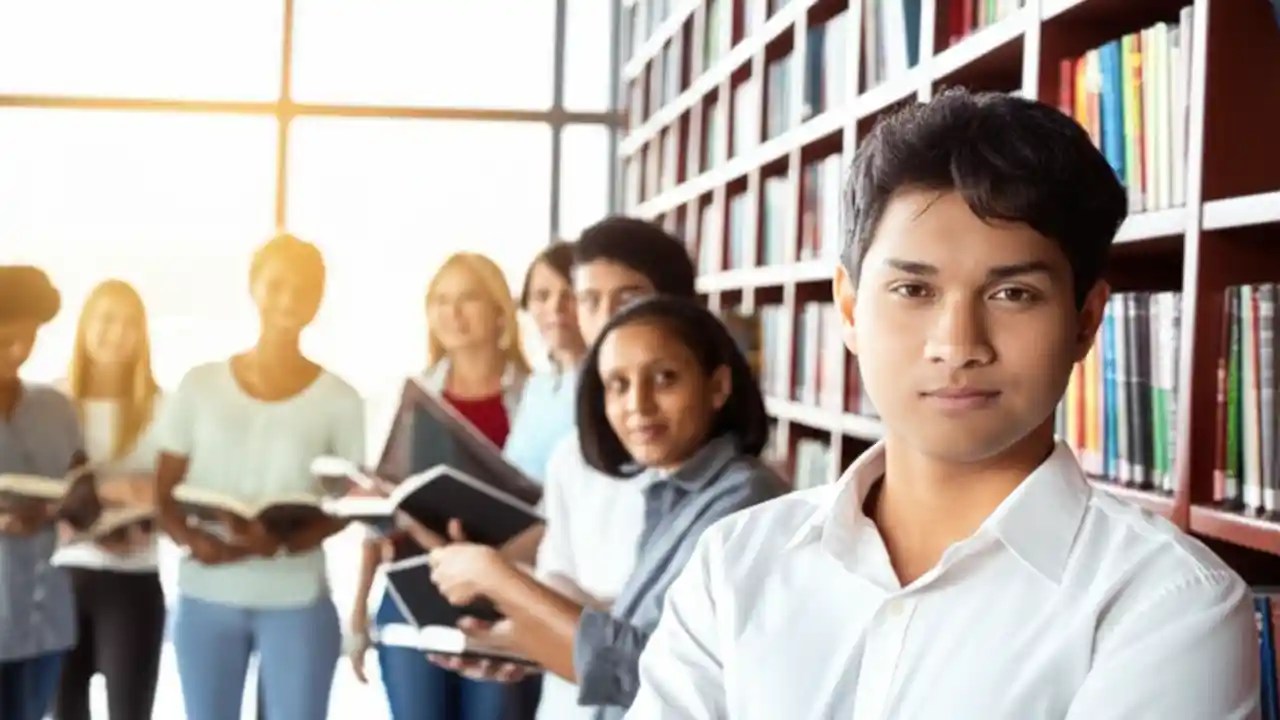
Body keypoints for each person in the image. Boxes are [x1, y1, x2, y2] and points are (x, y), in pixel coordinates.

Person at [626, 89, 1260, 718]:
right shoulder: (735, 563)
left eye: (1012, 293)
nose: (958, 346)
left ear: (1085, 322)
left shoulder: (1167, 602)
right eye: (912, 288)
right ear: (849, 309)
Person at [426, 295, 784, 720]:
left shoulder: (746, 503)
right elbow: (638, 640)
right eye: (618, 385)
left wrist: (498, 578)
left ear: (719, 386)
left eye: (665, 378)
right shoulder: (669, 491)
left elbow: (647, 672)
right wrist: (526, 644)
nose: (638, 404)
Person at [155, 234, 366, 720]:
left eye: (304, 289)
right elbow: (162, 493)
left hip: (297, 597)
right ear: (254, 288)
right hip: (207, 594)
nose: (289, 299)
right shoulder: (199, 385)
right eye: (277, 284)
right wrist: (192, 539)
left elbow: (350, 502)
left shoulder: (340, 398)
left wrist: (287, 542)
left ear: (318, 299)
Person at [350, 251, 533, 720]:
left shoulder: (539, 396)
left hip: (506, 595)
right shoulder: (411, 398)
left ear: (499, 311)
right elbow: (385, 511)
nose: (452, 312)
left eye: (468, 298)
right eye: (441, 300)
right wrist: (357, 611)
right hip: (414, 591)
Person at [53, 280, 167, 720]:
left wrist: (91, 493)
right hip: (61, 579)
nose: (115, 332)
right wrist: (120, 490)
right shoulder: (53, 403)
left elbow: (165, 493)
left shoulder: (160, 406)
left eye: (127, 322)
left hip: (133, 579)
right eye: (105, 319)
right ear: (83, 327)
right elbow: (40, 491)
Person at [0, 266, 98, 720]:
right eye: (5, 341)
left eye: (30, 339)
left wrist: (67, 507)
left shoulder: (56, 409)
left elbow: (83, 494)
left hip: (46, 619)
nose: (18, 353)